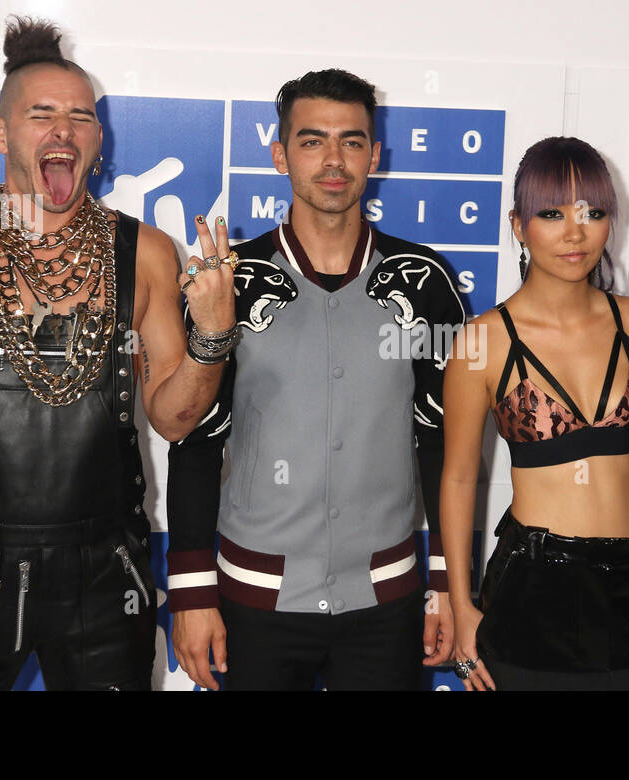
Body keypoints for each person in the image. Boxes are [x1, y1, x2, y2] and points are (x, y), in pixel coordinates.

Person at [0, 16, 234, 690]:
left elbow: (176, 421)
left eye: (81, 117)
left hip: (103, 571)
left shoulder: (147, 252)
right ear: (1, 133)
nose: (64, 130)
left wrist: (212, 337)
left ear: (98, 138)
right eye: (42, 115)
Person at [166, 69, 464, 690]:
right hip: (255, 600)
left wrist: (446, 581)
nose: (334, 160)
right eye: (311, 141)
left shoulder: (424, 281)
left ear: (375, 155)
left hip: (386, 601)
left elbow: (441, 441)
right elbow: (195, 437)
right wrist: (193, 592)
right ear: (279, 154)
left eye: (352, 141)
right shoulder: (230, 280)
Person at [441, 137, 629, 691]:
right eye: (551, 214)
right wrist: (461, 605)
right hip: (533, 589)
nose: (575, 233)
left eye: (593, 213)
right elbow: (459, 479)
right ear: (517, 224)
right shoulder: (481, 342)